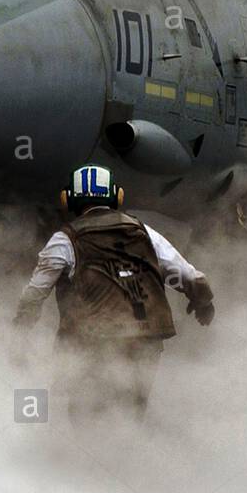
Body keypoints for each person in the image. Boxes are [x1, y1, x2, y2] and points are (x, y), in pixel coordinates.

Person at [14, 164, 214, 421]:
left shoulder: (65, 239)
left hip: (93, 339)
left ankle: (86, 455)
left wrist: (22, 324)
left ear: (68, 199)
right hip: (147, 337)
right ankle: (125, 455)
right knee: (131, 414)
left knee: (85, 414)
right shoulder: (143, 232)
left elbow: (35, 292)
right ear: (116, 197)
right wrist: (203, 303)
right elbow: (188, 275)